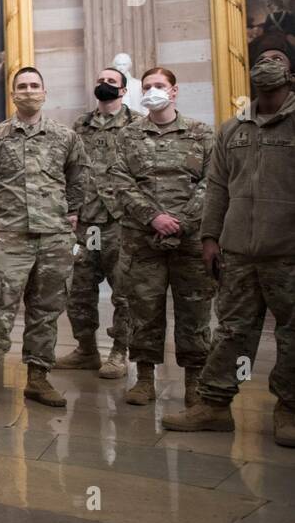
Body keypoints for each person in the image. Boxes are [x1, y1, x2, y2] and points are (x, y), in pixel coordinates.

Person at [163, 45, 294, 446]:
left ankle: (289, 406)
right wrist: (208, 237)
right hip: (237, 251)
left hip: (287, 252)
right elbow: (217, 186)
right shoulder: (233, 128)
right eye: (262, 59)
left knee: (291, 334)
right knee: (232, 331)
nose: (267, 65)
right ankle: (215, 404)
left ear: (290, 72)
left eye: (277, 59)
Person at [0, 66, 86, 408]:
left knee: (46, 309)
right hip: (9, 236)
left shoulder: (66, 137)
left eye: (35, 85)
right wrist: (0, 219)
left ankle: (38, 377)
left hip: (54, 238)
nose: (29, 91)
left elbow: (78, 180)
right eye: (22, 86)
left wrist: (69, 213)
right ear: (13, 94)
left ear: (45, 93)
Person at [108, 67, 215, 408]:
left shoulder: (202, 134)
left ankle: (195, 381)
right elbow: (120, 182)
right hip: (143, 241)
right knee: (144, 309)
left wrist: (181, 220)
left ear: (174, 91)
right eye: (149, 86)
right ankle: (144, 379)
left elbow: (212, 183)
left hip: (191, 241)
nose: (154, 91)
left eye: (160, 86)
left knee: (194, 312)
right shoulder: (128, 136)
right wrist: (153, 216)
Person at [55, 66, 135, 378]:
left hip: (120, 220)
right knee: (79, 288)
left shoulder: (136, 124)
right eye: (100, 80)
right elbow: (71, 170)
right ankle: (86, 349)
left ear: (123, 91)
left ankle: (119, 351)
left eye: (111, 81)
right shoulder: (80, 125)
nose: (104, 85)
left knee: (124, 289)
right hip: (86, 222)